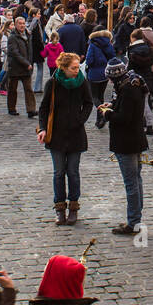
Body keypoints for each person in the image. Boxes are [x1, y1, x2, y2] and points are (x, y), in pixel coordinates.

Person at [38, 51, 94, 225]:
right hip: (57, 134)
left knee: (73, 172)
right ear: (64, 68)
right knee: (59, 172)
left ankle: (74, 208)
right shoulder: (53, 83)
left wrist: (80, 119)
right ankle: (60, 208)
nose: (77, 70)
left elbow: (88, 103)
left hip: (76, 133)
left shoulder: (82, 82)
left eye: (78, 67)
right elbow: (44, 107)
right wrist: (42, 129)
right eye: (74, 68)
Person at [101, 57, 147, 235]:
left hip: (127, 141)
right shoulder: (131, 85)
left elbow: (124, 117)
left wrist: (108, 114)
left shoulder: (127, 90)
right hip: (135, 139)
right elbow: (125, 108)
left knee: (131, 182)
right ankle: (135, 217)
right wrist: (112, 105)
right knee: (136, 179)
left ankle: (134, 221)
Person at [5, 16, 37, 117]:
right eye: (20, 23)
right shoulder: (12, 37)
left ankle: (31, 110)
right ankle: (11, 108)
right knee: (12, 89)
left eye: (23, 23)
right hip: (15, 67)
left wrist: (30, 62)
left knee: (28, 89)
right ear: (15, 24)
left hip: (27, 66)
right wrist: (26, 63)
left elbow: (30, 50)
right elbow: (14, 53)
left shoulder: (28, 35)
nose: (22, 25)